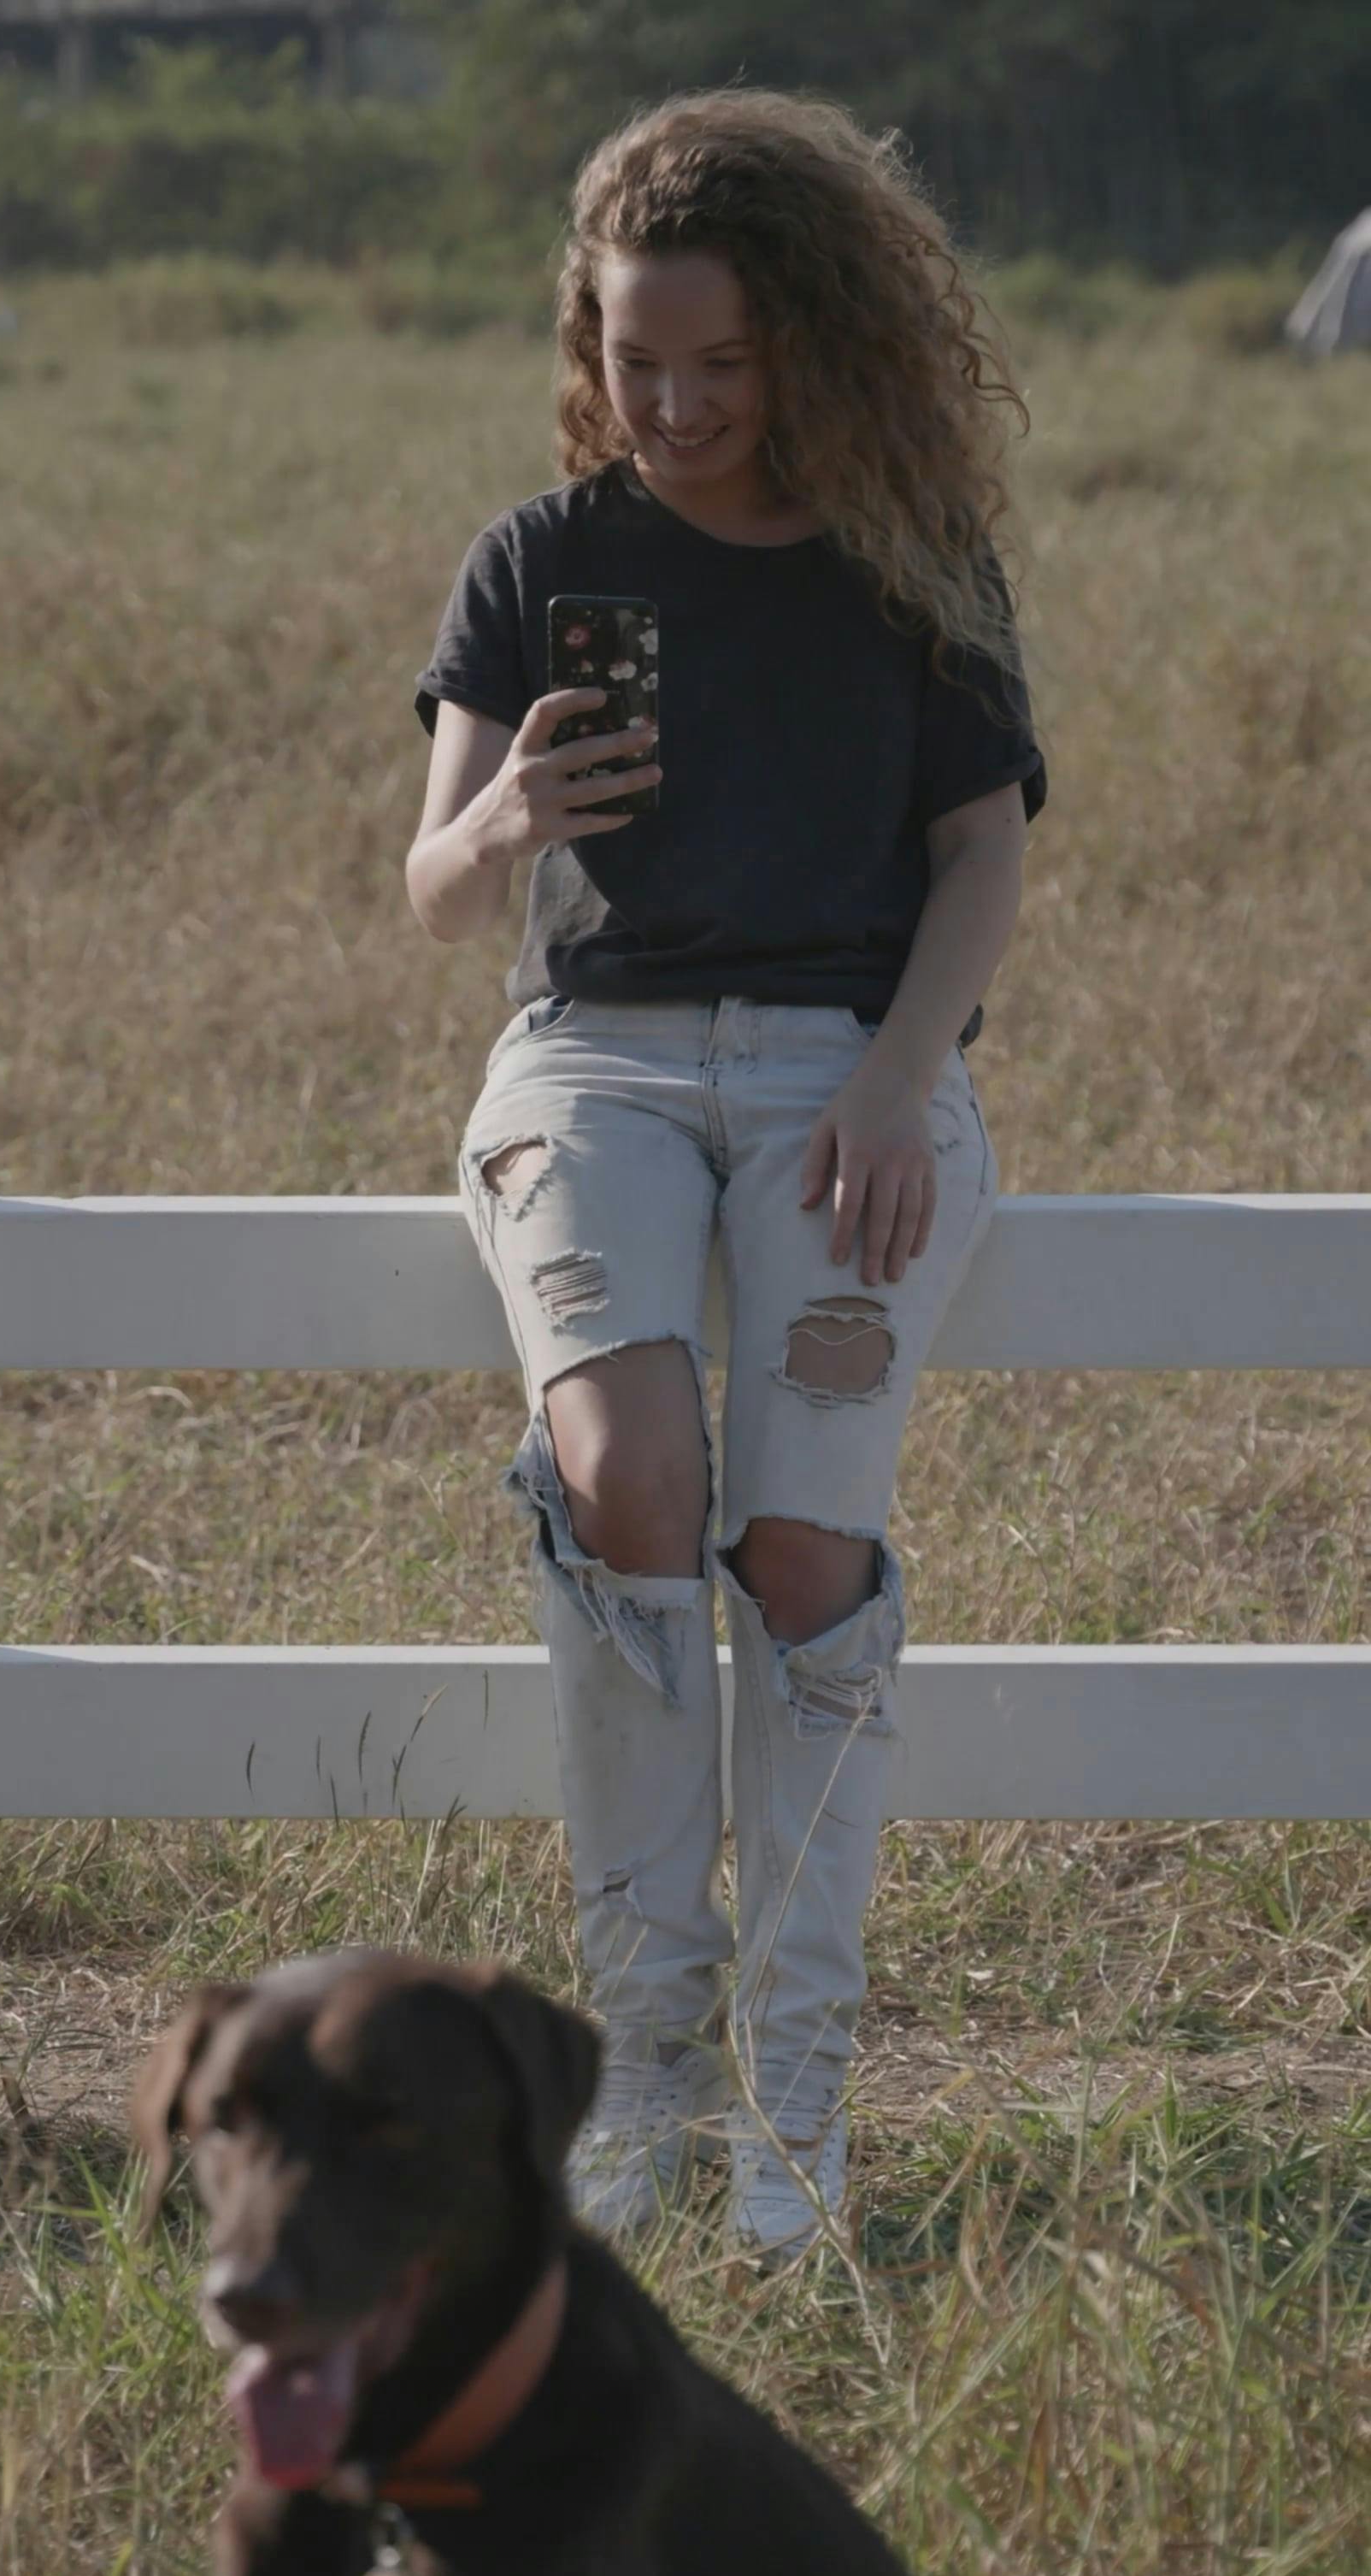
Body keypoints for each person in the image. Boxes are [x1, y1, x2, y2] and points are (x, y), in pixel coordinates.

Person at [406, 88, 1043, 2255]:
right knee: (628, 1484)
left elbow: (984, 857)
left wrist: (893, 1079)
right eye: (633, 356)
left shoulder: (910, 561)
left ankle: (800, 2105)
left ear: (812, 344)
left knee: (799, 1552)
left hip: (849, 1075)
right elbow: (430, 880)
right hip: (589, 1055)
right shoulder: (541, 556)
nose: (671, 405)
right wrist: (508, 828)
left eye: (720, 364)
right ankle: (645, 2076)